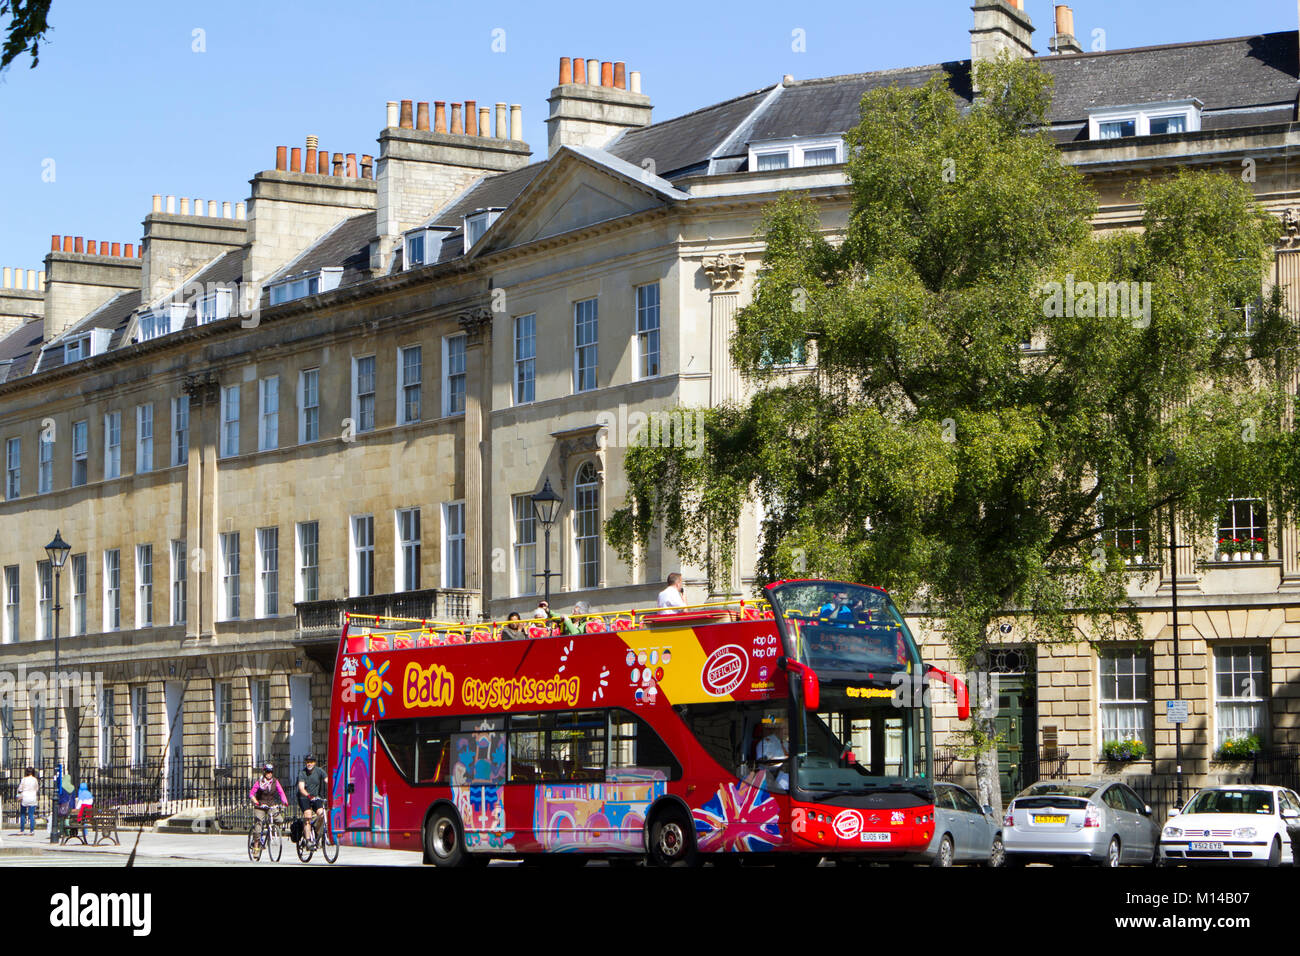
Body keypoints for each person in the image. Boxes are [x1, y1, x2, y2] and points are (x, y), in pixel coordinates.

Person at [249, 763, 288, 858]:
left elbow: (281, 792)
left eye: (271, 772)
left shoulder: (275, 782)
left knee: (279, 820)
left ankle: (270, 828)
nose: (269, 774)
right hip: (260, 806)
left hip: (270, 805)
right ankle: (256, 846)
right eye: (267, 772)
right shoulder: (259, 782)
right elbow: (251, 794)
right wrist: (256, 802)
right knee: (258, 826)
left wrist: (284, 801)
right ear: (264, 772)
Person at [296, 755, 329, 847]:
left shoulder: (319, 771)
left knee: (322, 814)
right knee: (308, 815)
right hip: (304, 797)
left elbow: (327, 780)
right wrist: (309, 796)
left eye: (311, 762)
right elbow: (301, 788)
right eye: (307, 762)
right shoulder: (302, 773)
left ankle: (317, 832)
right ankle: (307, 840)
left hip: (316, 797)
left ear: (314, 763)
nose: (309, 763)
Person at [755, 715, 790, 792]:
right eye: (784, 728)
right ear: (777, 729)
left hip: (787, 775)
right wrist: (785, 762)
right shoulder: (765, 743)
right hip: (772, 778)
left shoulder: (786, 743)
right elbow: (764, 763)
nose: (787, 731)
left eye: (788, 728)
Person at [17, 767, 38, 834]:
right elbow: (37, 788)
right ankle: (32, 830)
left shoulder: (24, 779)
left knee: (23, 814)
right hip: (32, 797)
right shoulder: (35, 779)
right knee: (31, 815)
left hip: (25, 797)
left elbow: (20, 788)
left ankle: (22, 830)